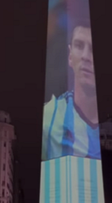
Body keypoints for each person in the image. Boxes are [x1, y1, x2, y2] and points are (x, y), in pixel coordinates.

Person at [42, 20, 101, 160]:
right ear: (70, 55)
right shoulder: (49, 119)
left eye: (93, 49)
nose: (85, 56)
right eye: (79, 46)